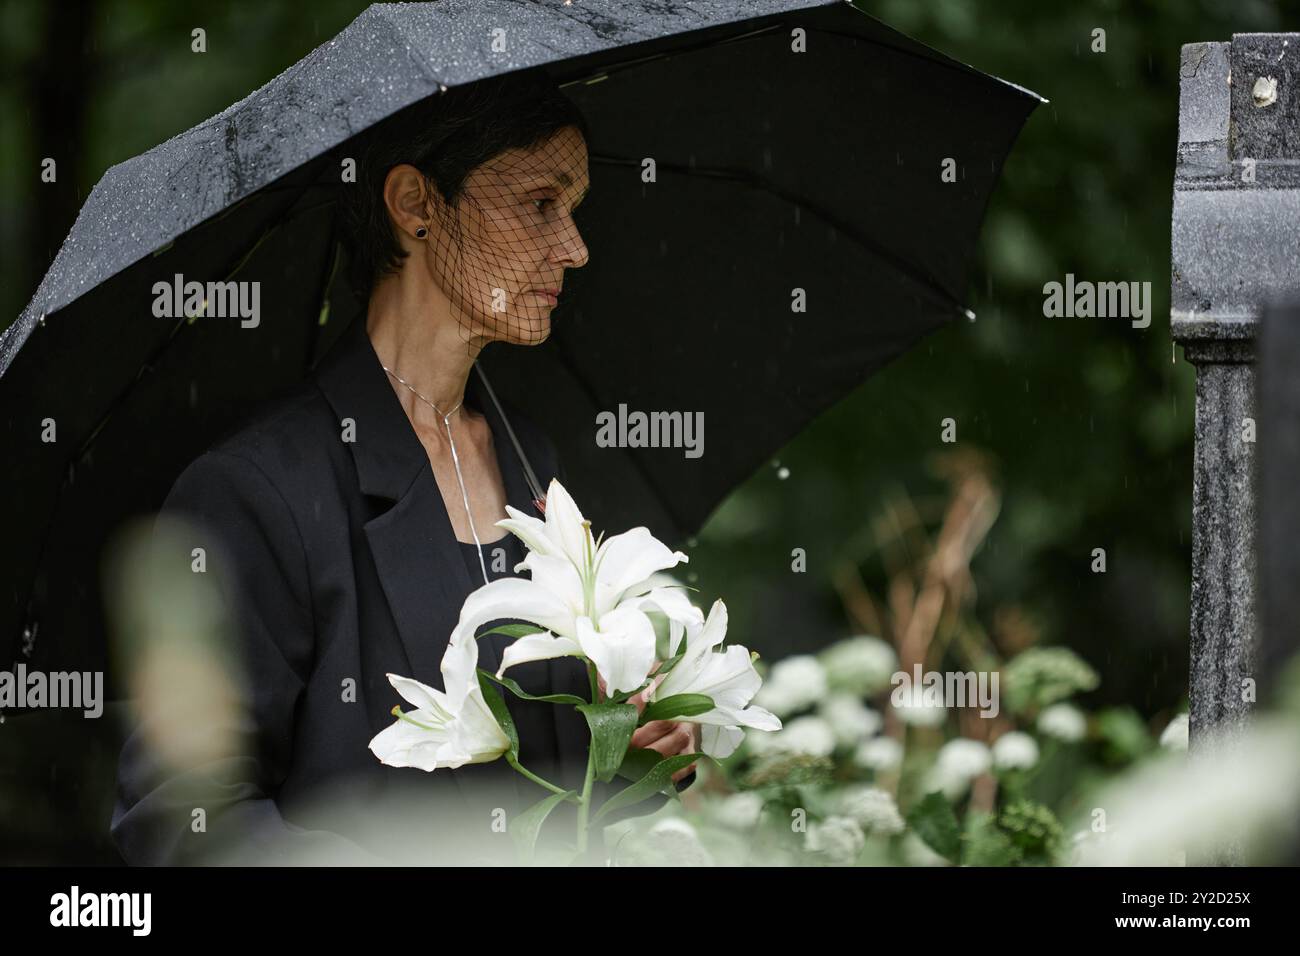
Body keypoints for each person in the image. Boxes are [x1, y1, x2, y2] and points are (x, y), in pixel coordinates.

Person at [109, 72, 697, 866]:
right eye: (538, 204)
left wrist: (628, 750)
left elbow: (543, 795)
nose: (575, 247)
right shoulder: (257, 490)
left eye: (574, 210)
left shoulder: (533, 462)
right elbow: (178, 827)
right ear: (416, 204)